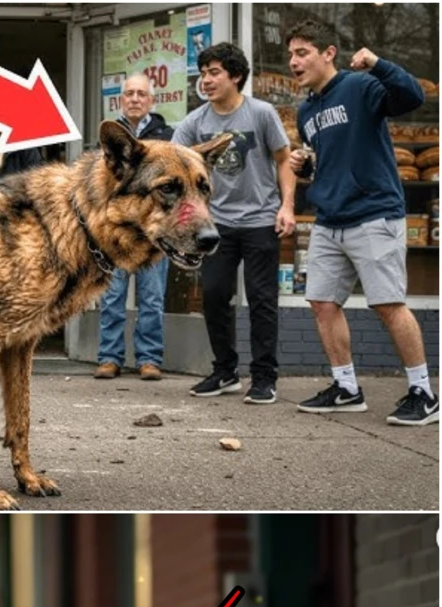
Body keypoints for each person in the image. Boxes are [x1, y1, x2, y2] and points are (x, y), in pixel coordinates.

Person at [287, 21, 437, 426]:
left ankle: (424, 393)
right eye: (291, 55)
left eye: (302, 53)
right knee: (322, 304)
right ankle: (346, 388)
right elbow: (329, 162)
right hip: (328, 219)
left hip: (373, 213)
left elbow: (412, 96)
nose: (293, 62)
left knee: (388, 304)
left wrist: (378, 63)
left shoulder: (359, 86)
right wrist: (305, 167)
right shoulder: (306, 111)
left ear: (328, 53)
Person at [173, 42, 296, 404]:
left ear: (236, 76)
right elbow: (174, 163)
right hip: (216, 224)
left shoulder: (261, 113)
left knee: (261, 300)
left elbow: (284, 159)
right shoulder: (195, 122)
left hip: (260, 219)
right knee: (213, 296)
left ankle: (264, 378)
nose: (206, 80)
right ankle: (225, 371)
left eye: (215, 73)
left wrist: (287, 206)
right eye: (203, 74)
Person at [94, 74, 174, 382]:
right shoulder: (111, 138)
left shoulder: (168, 138)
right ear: (121, 99)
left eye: (141, 94)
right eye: (129, 94)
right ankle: (109, 358)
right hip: (116, 234)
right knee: (112, 297)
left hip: (154, 234)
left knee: (152, 299)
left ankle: (149, 359)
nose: (135, 99)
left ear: (151, 100)